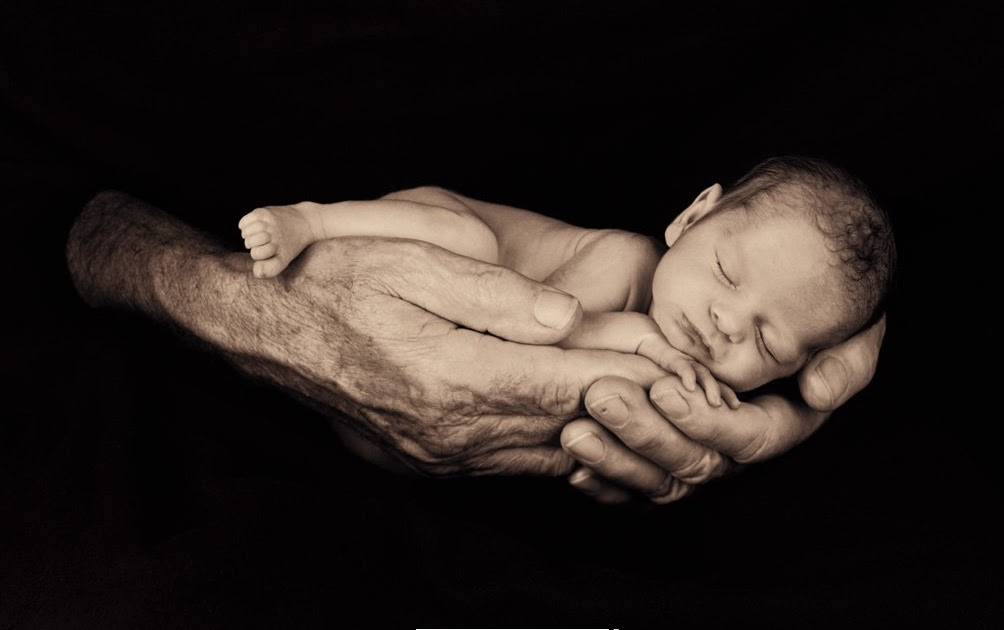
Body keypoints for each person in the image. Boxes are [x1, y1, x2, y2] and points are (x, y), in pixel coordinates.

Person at [66, 180, 886, 505]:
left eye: (767, 341)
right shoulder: (630, 260)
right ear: (690, 219)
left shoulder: (714, 353)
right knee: (477, 246)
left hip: (394, 421)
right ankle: (309, 216)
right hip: (408, 244)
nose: (722, 325)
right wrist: (642, 346)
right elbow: (555, 321)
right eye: (726, 277)